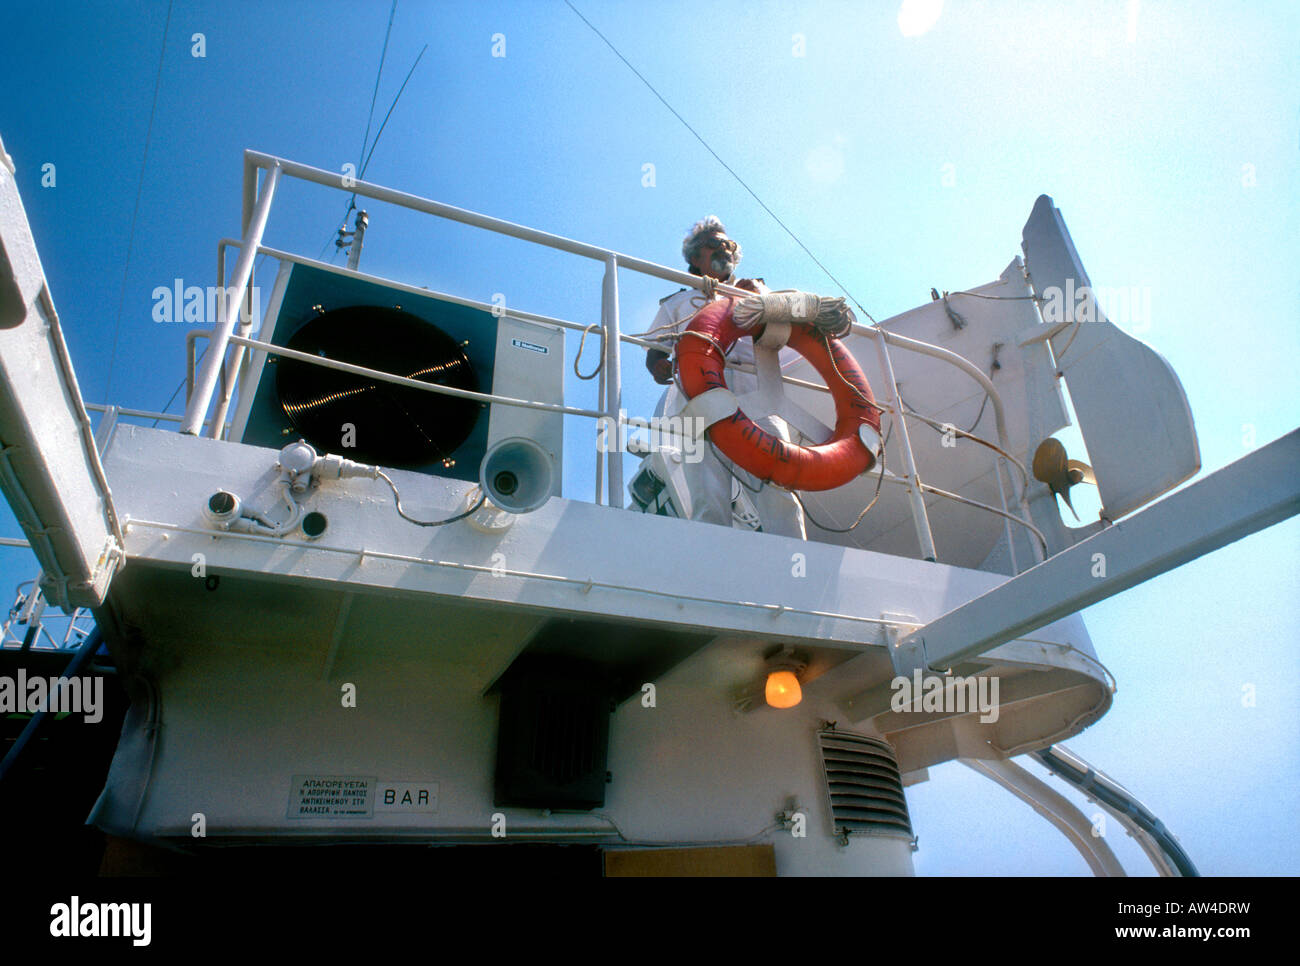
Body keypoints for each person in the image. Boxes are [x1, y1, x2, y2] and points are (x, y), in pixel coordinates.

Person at [642, 216, 806, 538]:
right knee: (707, 492)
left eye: (727, 244)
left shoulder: (760, 293)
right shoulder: (677, 303)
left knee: (778, 484)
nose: (723, 249)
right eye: (713, 244)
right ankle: (716, 561)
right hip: (698, 400)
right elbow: (654, 352)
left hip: (757, 397)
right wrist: (659, 365)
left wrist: (763, 299)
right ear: (693, 259)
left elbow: (794, 329)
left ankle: (794, 557)